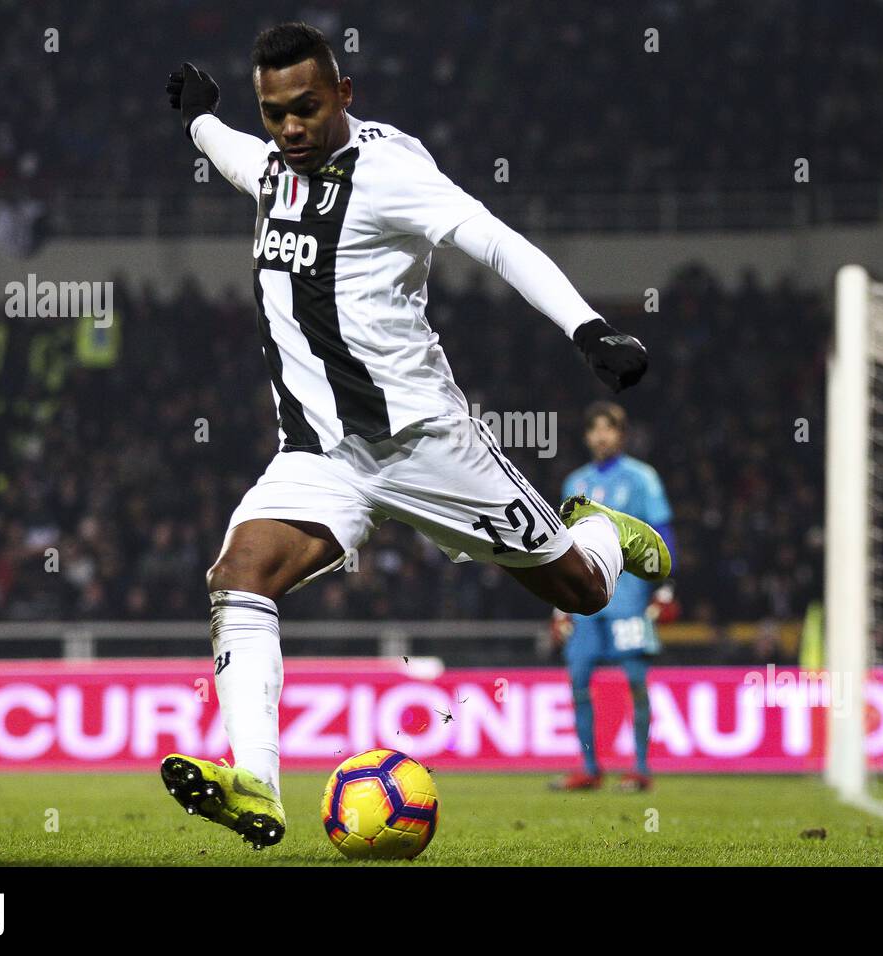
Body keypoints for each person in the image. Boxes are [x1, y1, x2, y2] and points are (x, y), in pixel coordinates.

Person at [158, 22, 674, 849]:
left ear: (343, 96)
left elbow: (496, 243)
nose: (289, 128)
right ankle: (256, 782)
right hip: (321, 452)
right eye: (273, 113)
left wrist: (588, 330)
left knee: (583, 593)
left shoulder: (392, 173)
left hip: (426, 445)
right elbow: (236, 156)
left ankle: (599, 533)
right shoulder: (271, 167)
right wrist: (199, 121)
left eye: (305, 108)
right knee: (239, 577)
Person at [551, 402, 677, 793]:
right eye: (594, 430)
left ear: (621, 434)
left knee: (637, 681)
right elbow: (560, 545)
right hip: (585, 598)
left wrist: (666, 586)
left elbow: (661, 531)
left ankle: (640, 769)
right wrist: (558, 602)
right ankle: (589, 768)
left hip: (629, 598)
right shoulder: (574, 483)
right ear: (587, 436)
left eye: (608, 429)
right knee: (577, 680)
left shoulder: (642, 479)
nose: (600, 436)